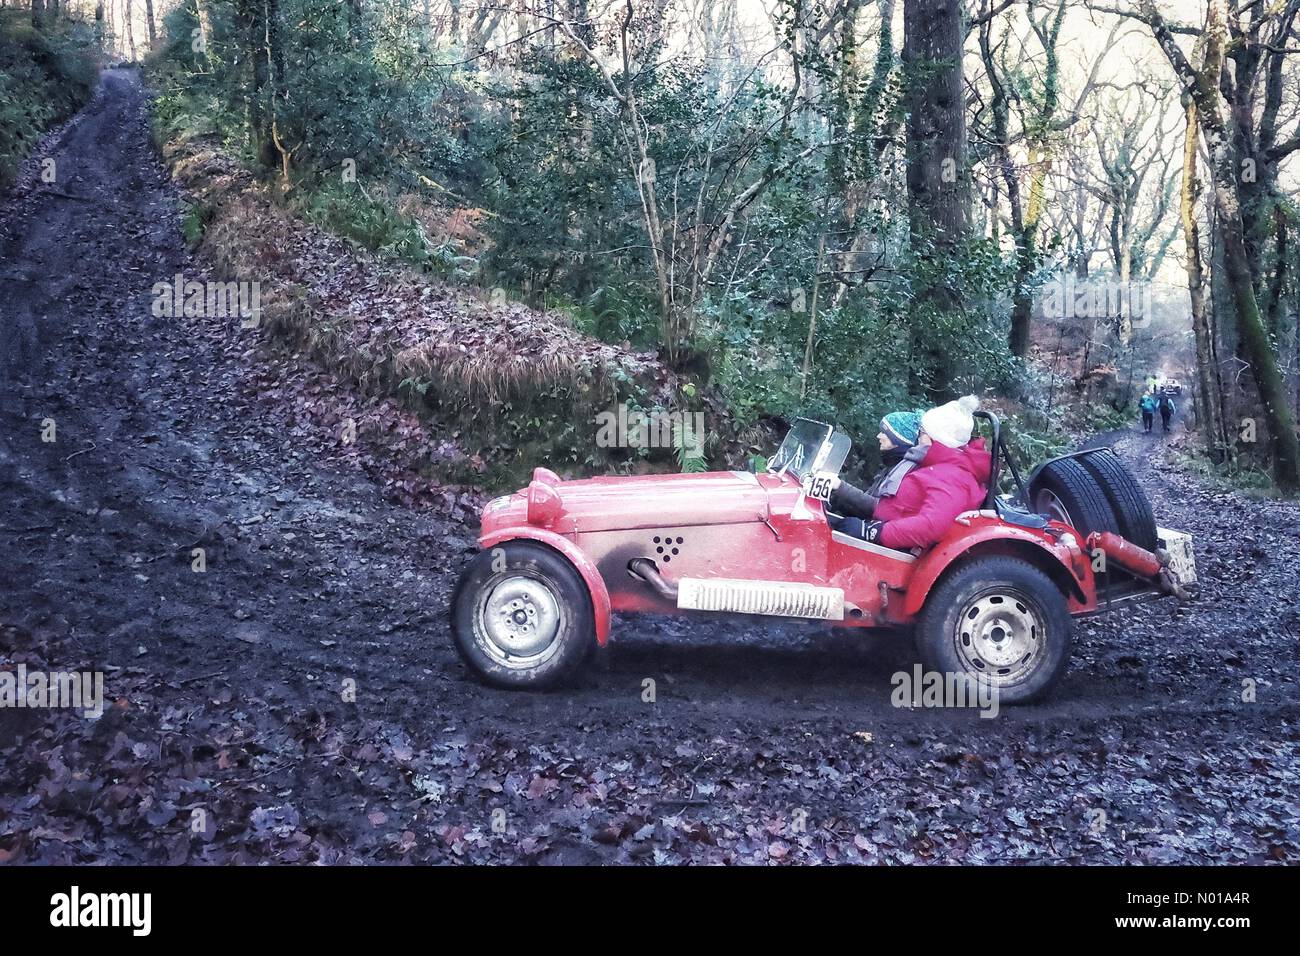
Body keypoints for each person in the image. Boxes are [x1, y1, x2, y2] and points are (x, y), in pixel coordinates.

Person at [836, 396, 992, 552]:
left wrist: (873, 533)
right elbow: (899, 508)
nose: (918, 437)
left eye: (922, 432)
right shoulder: (937, 467)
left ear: (935, 438)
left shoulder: (953, 477)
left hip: (897, 553)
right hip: (887, 537)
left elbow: (931, 525)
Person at [827, 410, 926, 522]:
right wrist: (833, 498)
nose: (879, 436)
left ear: (898, 440)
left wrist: (839, 486)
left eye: (885, 433)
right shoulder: (891, 467)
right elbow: (864, 506)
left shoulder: (905, 473)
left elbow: (880, 508)